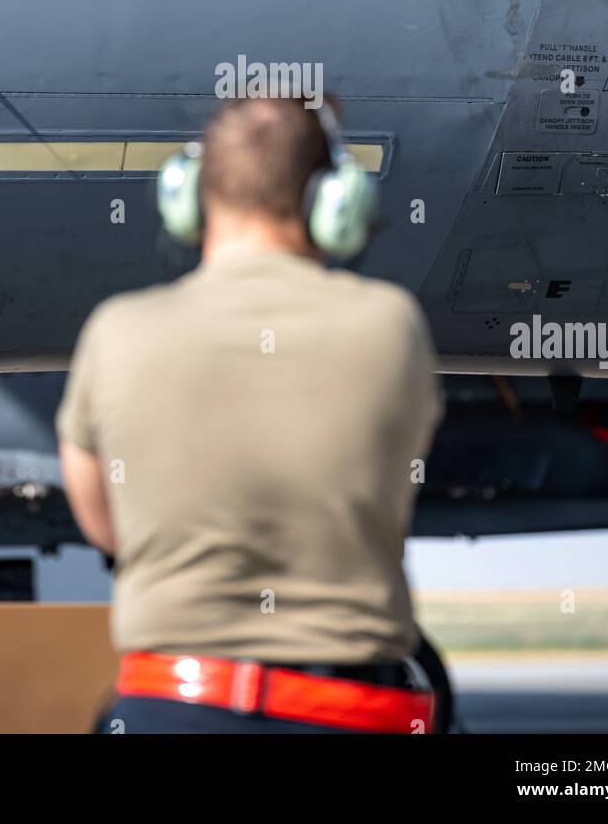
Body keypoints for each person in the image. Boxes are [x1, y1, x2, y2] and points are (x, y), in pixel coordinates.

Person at [56, 97, 444, 734]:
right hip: (352, 710)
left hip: (172, 705)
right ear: (335, 202)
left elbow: (105, 526)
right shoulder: (391, 325)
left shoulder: (117, 331)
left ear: (185, 199)